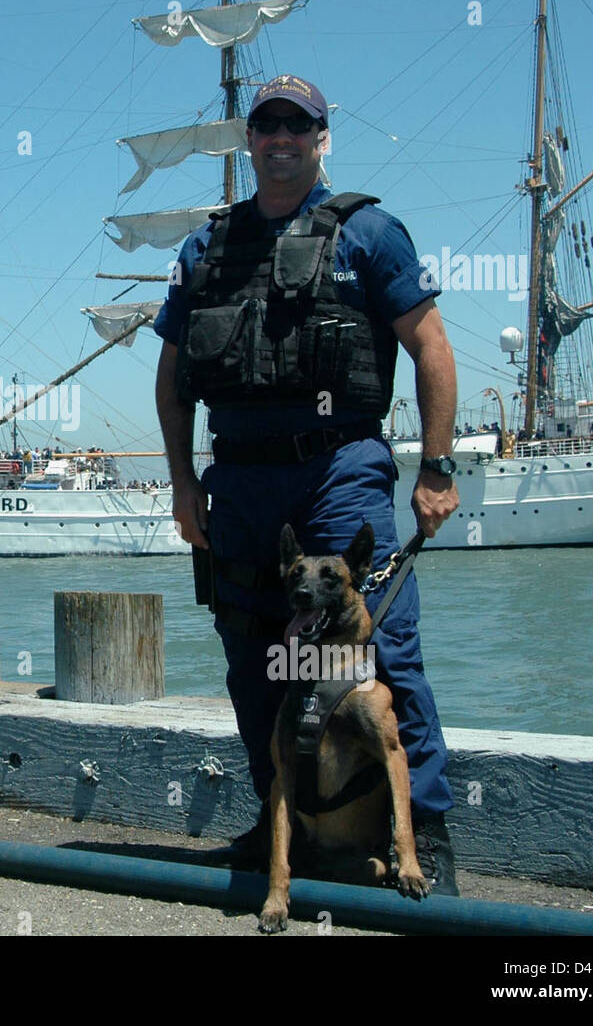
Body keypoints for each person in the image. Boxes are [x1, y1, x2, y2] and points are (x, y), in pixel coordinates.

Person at [154, 74, 460, 894]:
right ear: (248, 139)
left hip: (339, 471)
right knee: (259, 655)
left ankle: (421, 835)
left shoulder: (370, 233)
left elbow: (431, 345)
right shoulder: (206, 249)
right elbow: (174, 373)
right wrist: (183, 483)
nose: (282, 137)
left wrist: (435, 466)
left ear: (322, 138)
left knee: (379, 654)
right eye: (267, 125)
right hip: (241, 485)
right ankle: (276, 816)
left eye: (300, 125)